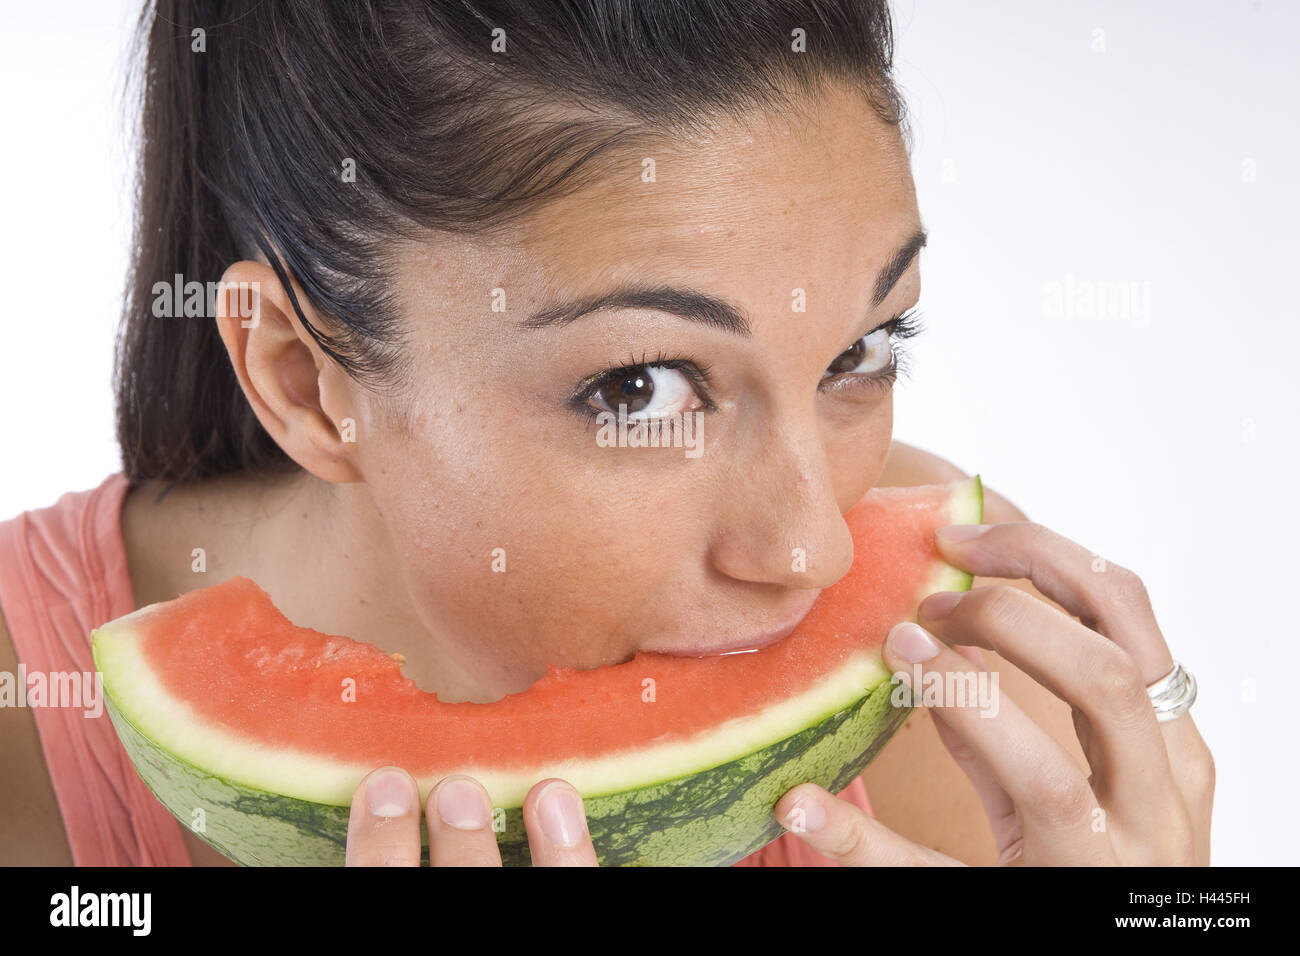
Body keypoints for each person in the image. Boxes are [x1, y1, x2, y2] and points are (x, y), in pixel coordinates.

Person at [0, 0, 1212, 867]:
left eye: (858, 351)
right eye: (639, 390)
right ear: (303, 380)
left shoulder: (964, 695)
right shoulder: (24, 739)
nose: (812, 553)